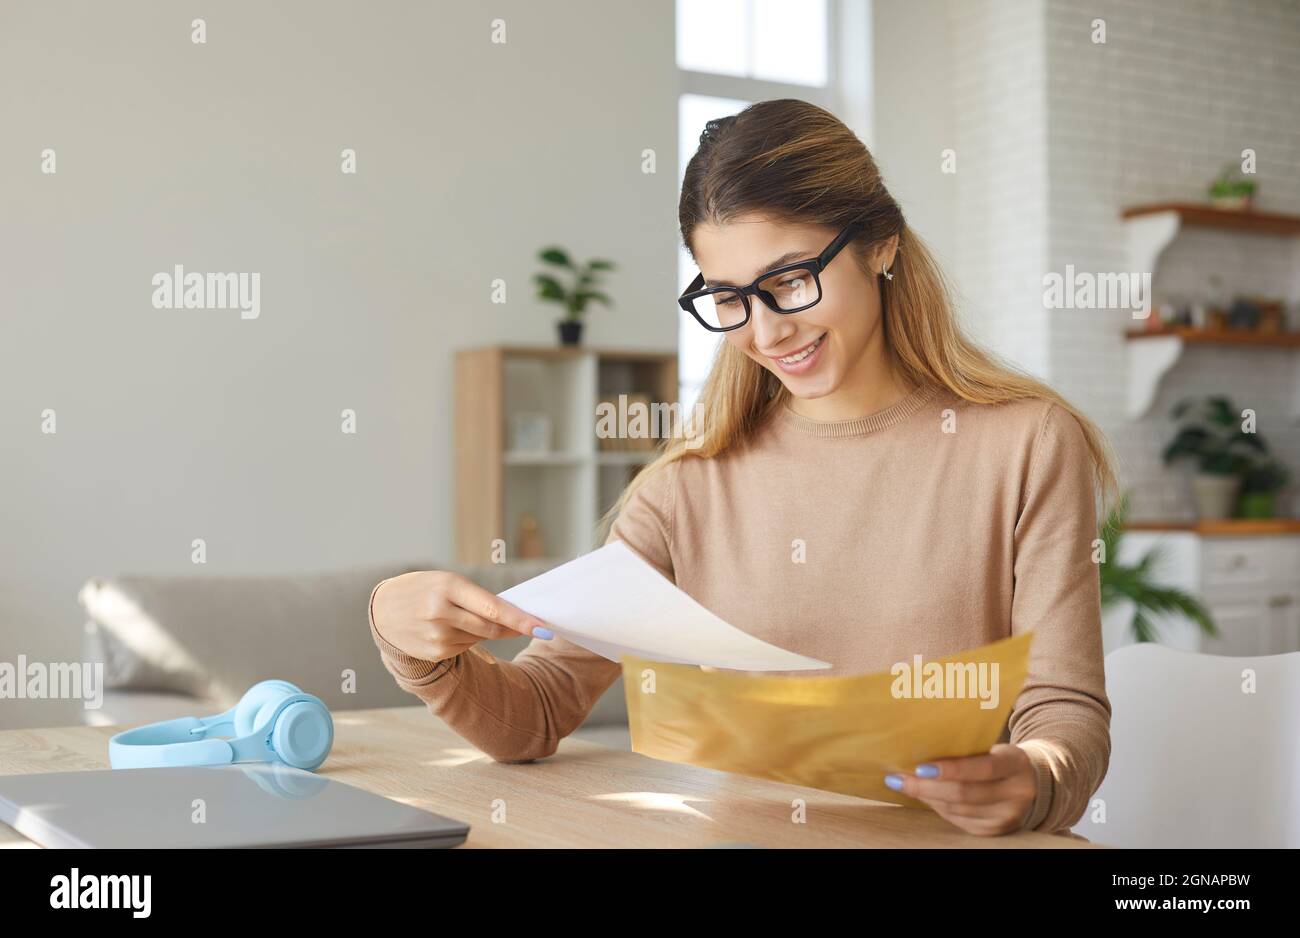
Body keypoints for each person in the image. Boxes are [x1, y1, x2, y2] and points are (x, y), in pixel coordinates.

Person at [369, 99, 1116, 837]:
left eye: (790, 281)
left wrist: (1035, 778)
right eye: (728, 297)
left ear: (880, 243)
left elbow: (1063, 711)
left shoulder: (1026, 444)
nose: (765, 330)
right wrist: (412, 646)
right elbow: (533, 714)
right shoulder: (687, 489)